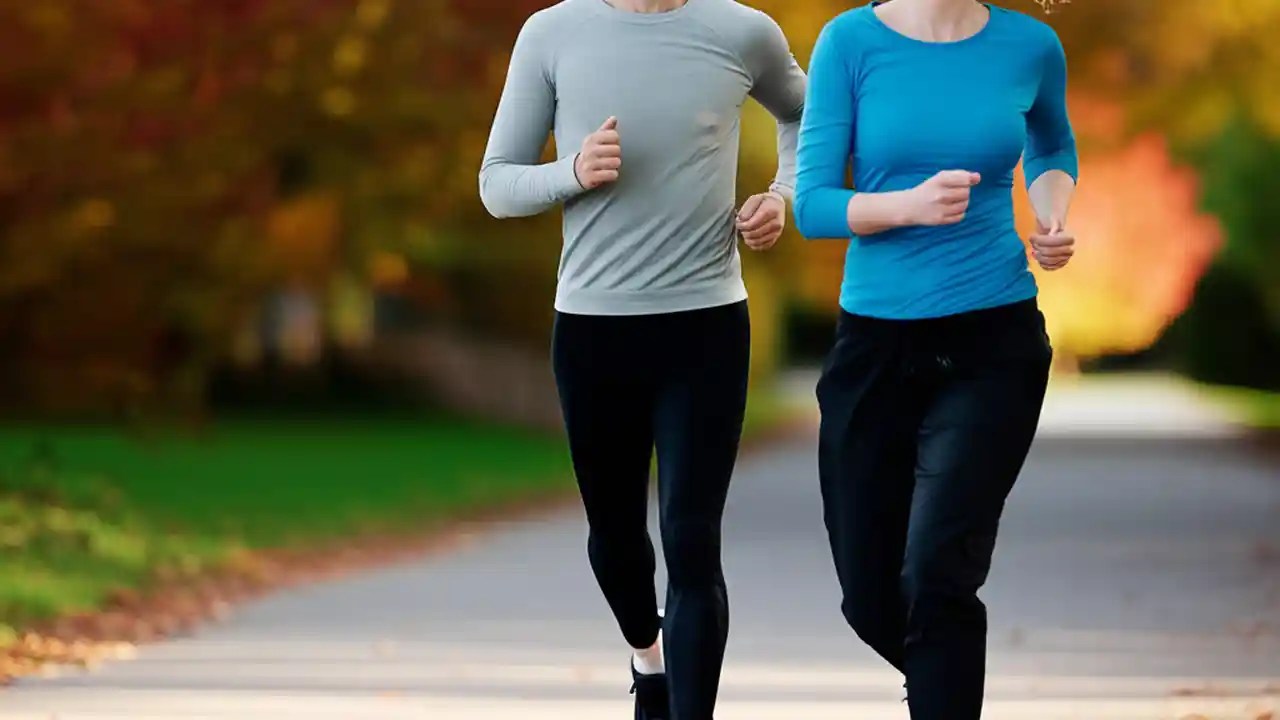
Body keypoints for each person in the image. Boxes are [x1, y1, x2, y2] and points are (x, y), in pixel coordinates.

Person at [478, 1, 805, 717]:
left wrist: (783, 196)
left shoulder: (741, 30)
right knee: (617, 540)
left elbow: (806, 115)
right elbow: (496, 184)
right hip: (595, 332)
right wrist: (572, 171)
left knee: (692, 541)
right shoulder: (553, 32)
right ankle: (647, 657)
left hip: (707, 327)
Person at [793, 0, 1077, 718]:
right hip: (876, 346)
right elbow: (814, 203)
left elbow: (1050, 144)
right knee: (869, 595)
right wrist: (904, 207)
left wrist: (1053, 215)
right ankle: (939, 673)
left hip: (993, 340)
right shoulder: (849, 42)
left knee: (938, 575)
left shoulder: (1030, 45)